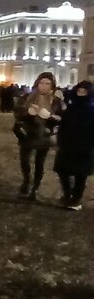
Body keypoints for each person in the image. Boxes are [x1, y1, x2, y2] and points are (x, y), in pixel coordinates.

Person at [11, 72, 63, 200]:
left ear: (52, 86)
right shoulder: (27, 97)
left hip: (44, 136)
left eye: (47, 83)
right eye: (41, 83)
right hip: (27, 134)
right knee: (25, 161)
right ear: (37, 83)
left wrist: (50, 117)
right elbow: (17, 112)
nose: (44, 86)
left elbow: (63, 118)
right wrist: (27, 113)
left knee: (39, 163)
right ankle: (26, 181)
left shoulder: (56, 101)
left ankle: (35, 187)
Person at [54, 81, 94, 211]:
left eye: (84, 92)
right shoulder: (71, 108)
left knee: (80, 175)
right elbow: (63, 126)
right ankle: (67, 194)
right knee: (62, 171)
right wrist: (60, 141)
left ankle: (75, 199)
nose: (81, 94)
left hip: (84, 147)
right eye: (79, 91)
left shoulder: (91, 110)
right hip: (67, 145)